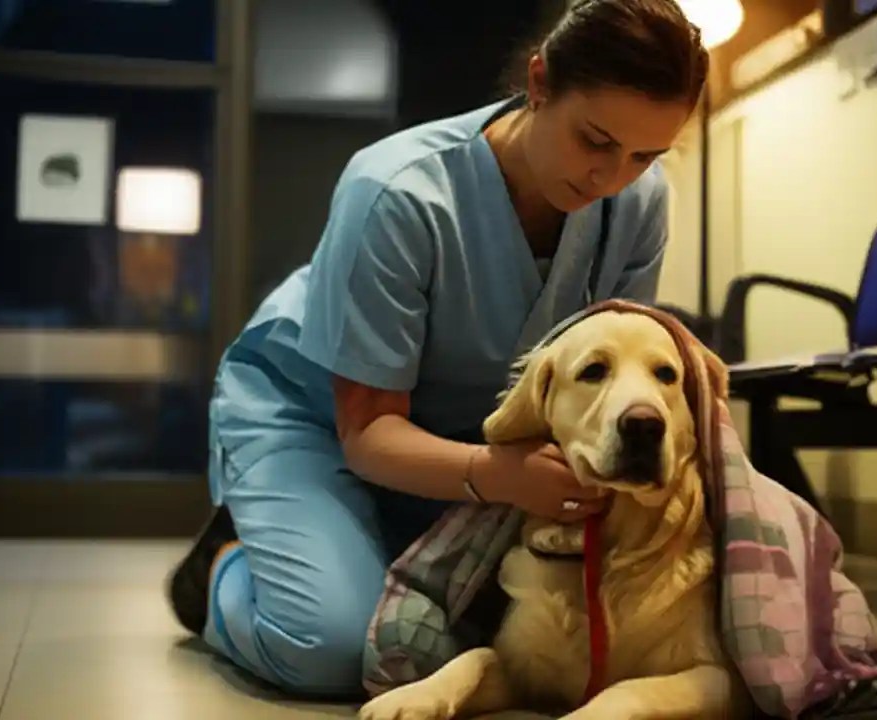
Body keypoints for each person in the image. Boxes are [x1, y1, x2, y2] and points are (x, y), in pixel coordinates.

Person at [168, 0, 709, 698]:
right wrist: (500, 474)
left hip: (465, 438)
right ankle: (219, 567)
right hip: (318, 420)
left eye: (646, 155)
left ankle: (356, 546)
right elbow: (365, 432)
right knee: (334, 650)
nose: (613, 178)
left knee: (468, 640)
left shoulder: (640, 202)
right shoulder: (398, 191)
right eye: (596, 140)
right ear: (540, 82)